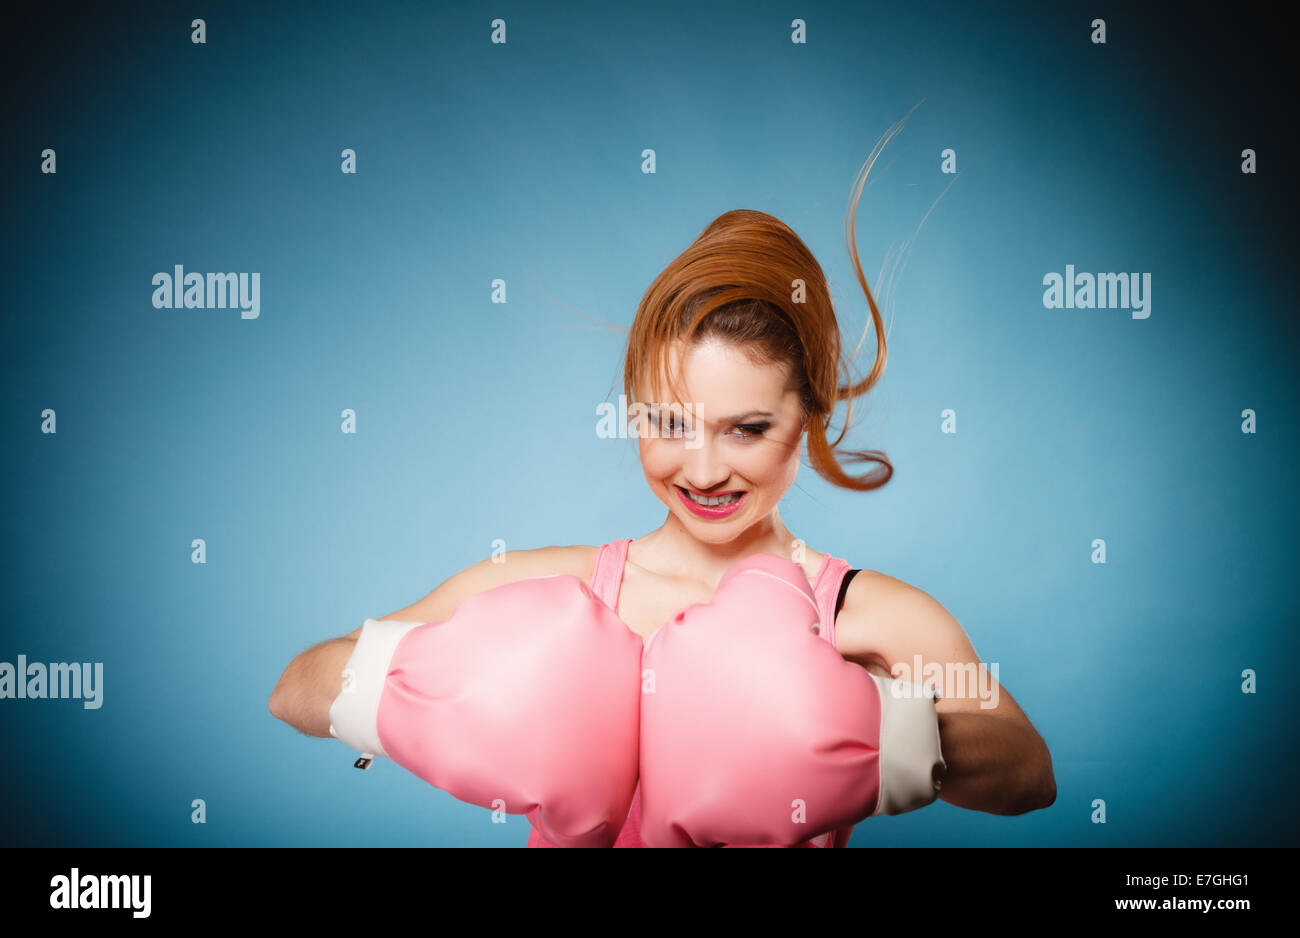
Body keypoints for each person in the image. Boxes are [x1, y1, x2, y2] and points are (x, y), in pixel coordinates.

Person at [269, 154, 1056, 847]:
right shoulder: (559, 588)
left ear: (810, 416)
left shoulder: (870, 616)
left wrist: (882, 731)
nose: (703, 470)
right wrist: (408, 697)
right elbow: (298, 685)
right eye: (669, 424)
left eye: (748, 428)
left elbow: (1028, 771)